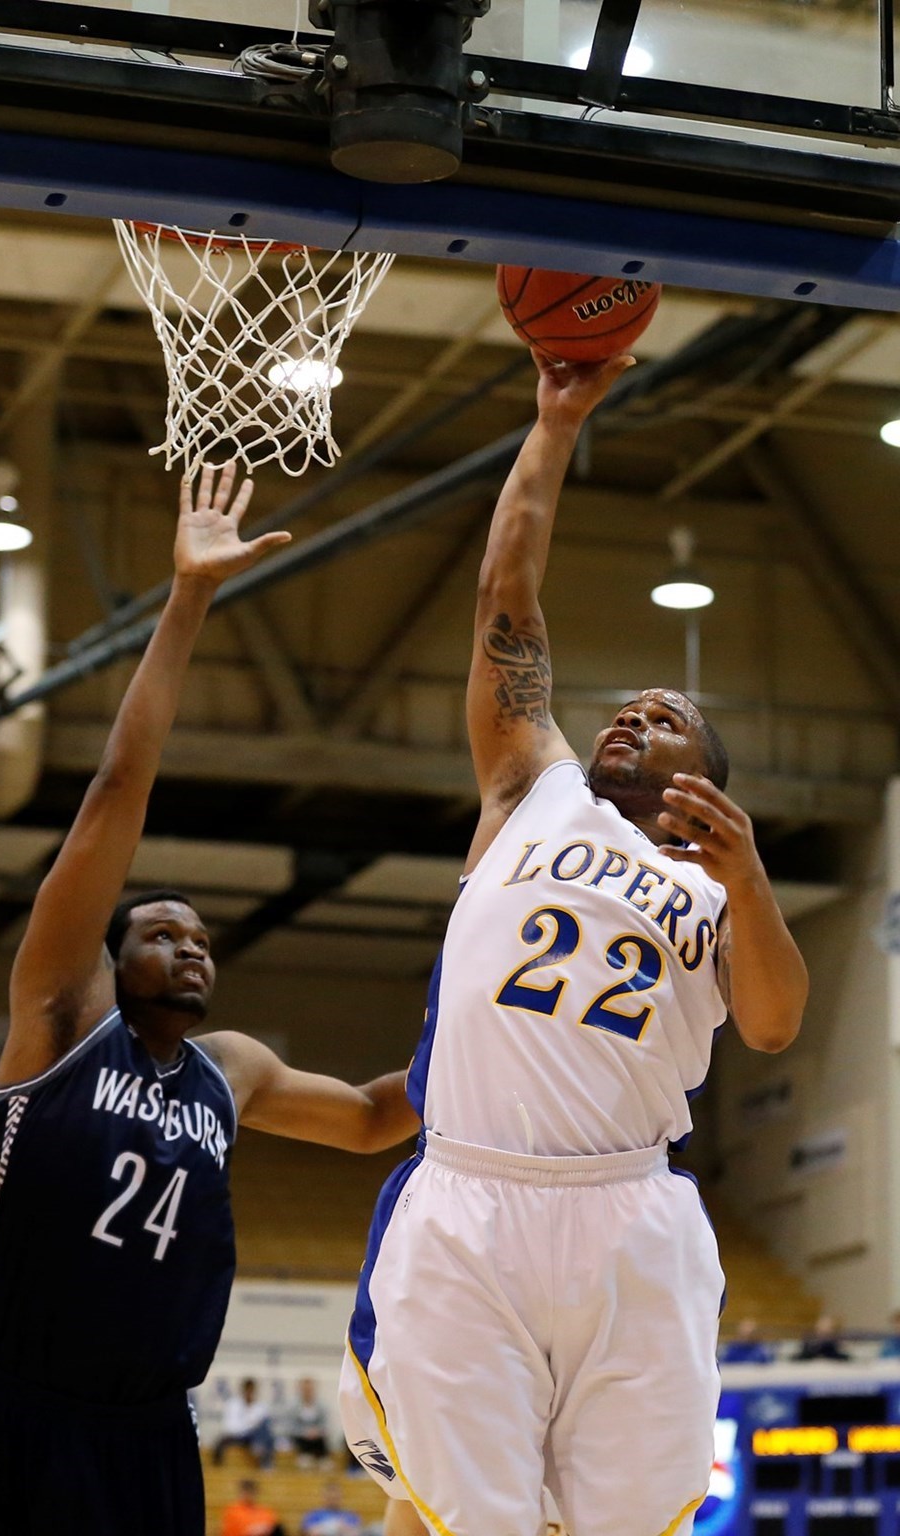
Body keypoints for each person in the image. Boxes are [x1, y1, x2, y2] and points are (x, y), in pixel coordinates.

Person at [339, 352, 809, 1536]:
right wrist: (554, 425)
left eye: (667, 715)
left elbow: (773, 1025)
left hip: (628, 1214)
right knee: (461, 1518)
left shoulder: (716, 893)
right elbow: (506, 596)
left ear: (706, 779)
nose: (631, 715)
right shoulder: (531, 791)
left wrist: (749, 877)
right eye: (624, 707)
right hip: (471, 1195)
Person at [0, 464, 419, 1536]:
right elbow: (117, 790)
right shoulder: (62, 1023)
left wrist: (503, 1027)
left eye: (202, 941)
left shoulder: (233, 1071)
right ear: (110, 956)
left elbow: (377, 1118)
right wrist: (188, 598)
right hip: (10, 1404)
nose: (189, 949)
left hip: (148, 1431)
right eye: (162, 933)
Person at [213, 1378, 275, 1468]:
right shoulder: (233, 1404)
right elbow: (230, 1426)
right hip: (237, 1435)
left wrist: (252, 1425)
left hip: (253, 1436)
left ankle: (264, 1460)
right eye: (248, 1391)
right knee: (220, 1443)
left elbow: (264, 1427)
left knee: (265, 1430)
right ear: (243, 1391)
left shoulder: (260, 1407)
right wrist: (249, 1425)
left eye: (251, 1391)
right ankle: (259, 1450)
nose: (249, 1393)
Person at [287, 1376, 331, 1465]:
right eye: (305, 1390)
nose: (307, 1392)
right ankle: (303, 1457)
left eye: (309, 1390)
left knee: (321, 1441)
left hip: (318, 1439)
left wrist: (317, 1431)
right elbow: (291, 1427)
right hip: (301, 1438)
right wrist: (305, 1432)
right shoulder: (293, 1407)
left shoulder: (321, 1406)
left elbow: (325, 1425)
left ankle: (323, 1459)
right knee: (302, 1440)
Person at [220, 1479, 285, 1536]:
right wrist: (250, 1531)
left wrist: (265, 1529)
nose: (249, 1495)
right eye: (246, 1491)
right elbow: (228, 1532)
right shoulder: (232, 1511)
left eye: (251, 1491)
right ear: (241, 1492)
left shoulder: (265, 1511)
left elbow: (275, 1529)